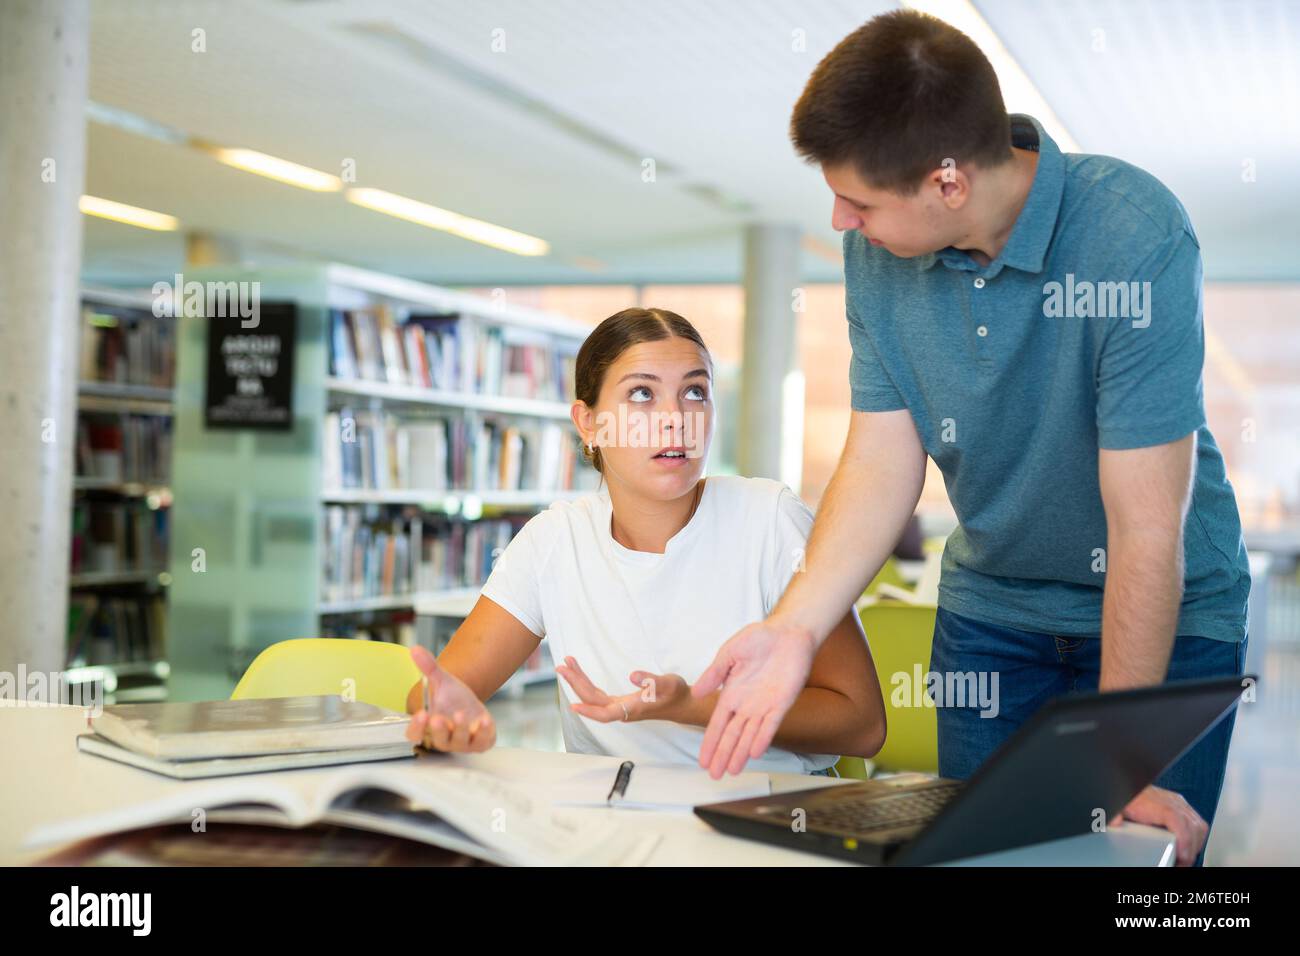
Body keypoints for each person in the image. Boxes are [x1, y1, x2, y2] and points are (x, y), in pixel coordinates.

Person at [692, 11, 1249, 866]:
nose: (839, 219)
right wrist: (794, 627)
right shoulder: (879, 254)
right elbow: (882, 460)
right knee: (981, 858)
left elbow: (1145, 526)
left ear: (948, 183)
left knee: (1132, 869)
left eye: (859, 200)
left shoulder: (1134, 236)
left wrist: (1117, 756)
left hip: (1166, 620)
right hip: (994, 617)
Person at [404, 307, 886, 774]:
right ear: (589, 424)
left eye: (695, 392)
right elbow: (441, 692)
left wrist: (691, 706)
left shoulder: (769, 517)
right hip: (612, 812)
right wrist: (445, 717)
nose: (676, 418)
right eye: (641, 394)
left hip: (767, 808)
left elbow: (862, 725)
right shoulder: (554, 539)